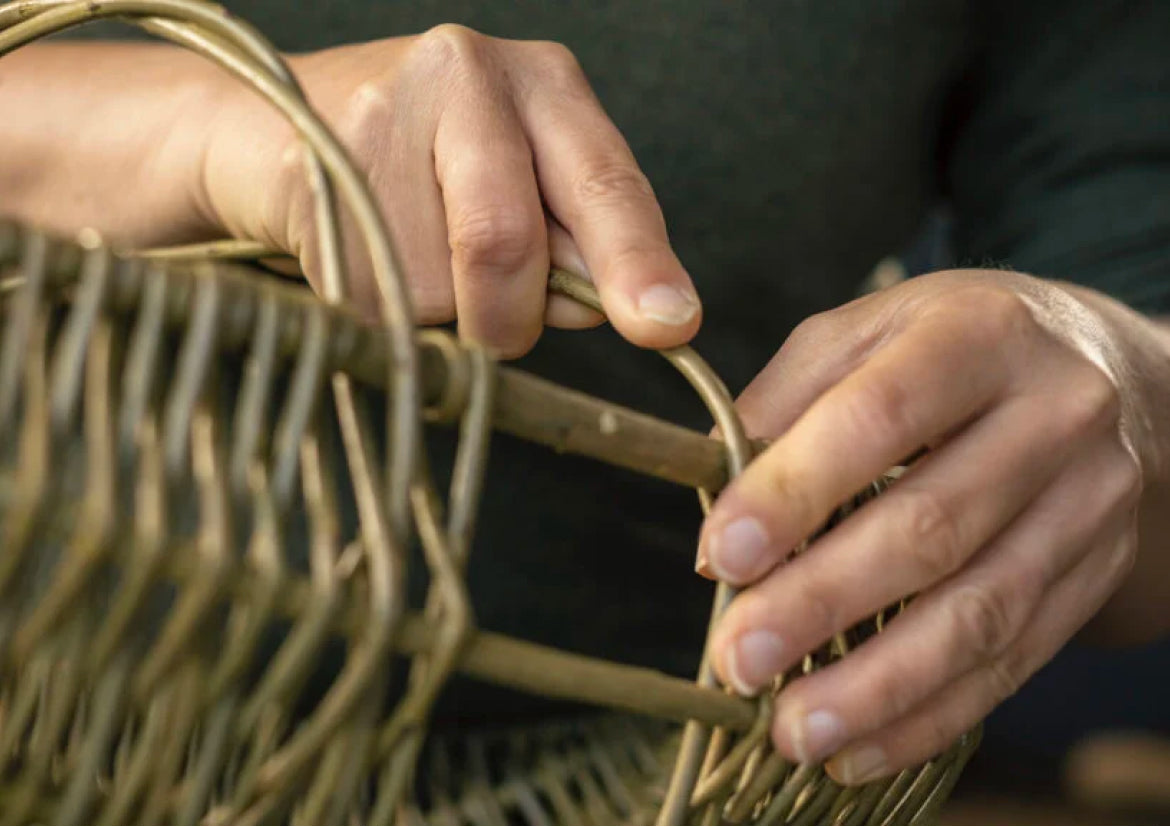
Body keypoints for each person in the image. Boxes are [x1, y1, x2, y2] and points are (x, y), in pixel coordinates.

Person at [3, 0, 1168, 789]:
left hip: (669, 774)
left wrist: (1112, 370)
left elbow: (1137, 314)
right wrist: (212, 122)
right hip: (45, 721)